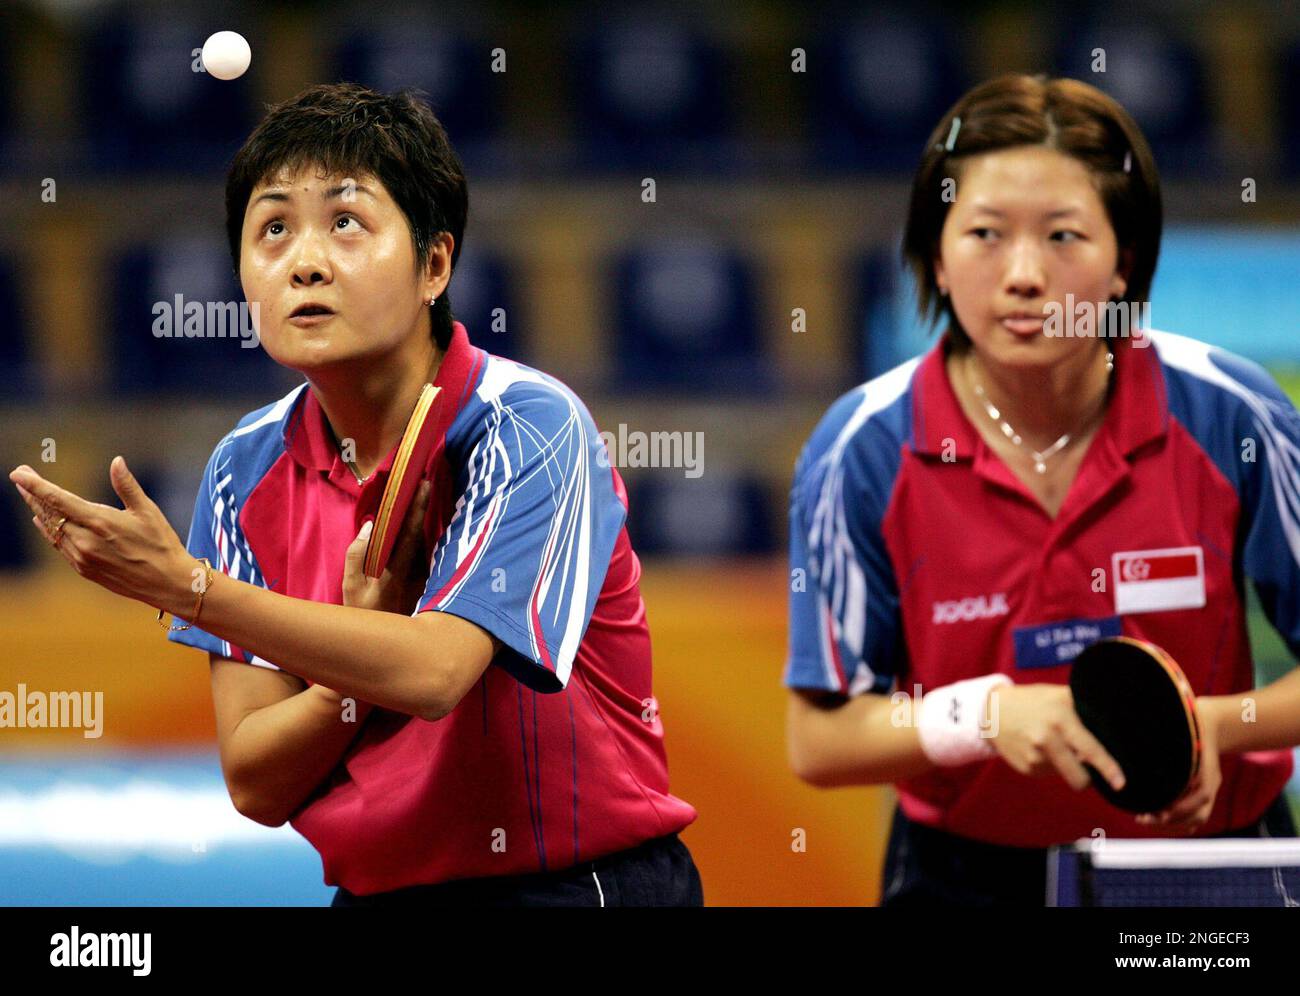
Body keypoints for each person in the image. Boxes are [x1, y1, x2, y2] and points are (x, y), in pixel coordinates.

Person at [9, 82, 701, 907]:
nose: (304, 260)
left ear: (434, 265)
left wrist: (186, 590)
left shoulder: (527, 424)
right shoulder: (240, 468)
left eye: (345, 222)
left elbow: (438, 671)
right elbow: (258, 785)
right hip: (377, 893)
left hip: (573, 885)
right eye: (272, 229)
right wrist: (342, 678)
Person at [782, 73, 1300, 906]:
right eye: (985, 233)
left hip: (1211, 868)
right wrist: (985, 718)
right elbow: (819, 740)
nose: (1024, 275)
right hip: (964, 875)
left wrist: (1218, 725)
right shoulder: (860, 449)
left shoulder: (1234, 415)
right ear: (937, 260)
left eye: (1064, 237)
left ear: (1124, 263)